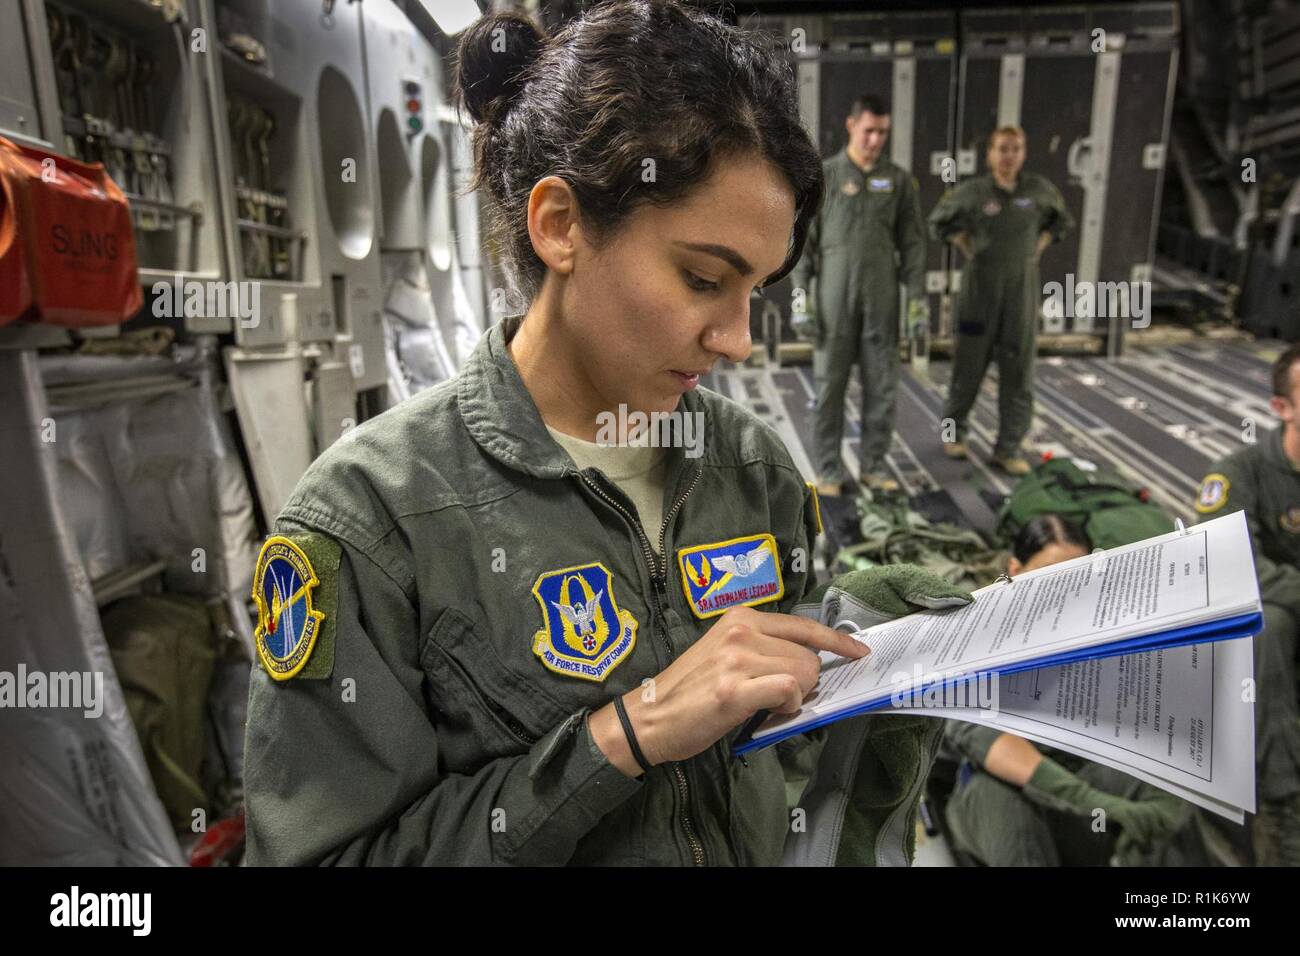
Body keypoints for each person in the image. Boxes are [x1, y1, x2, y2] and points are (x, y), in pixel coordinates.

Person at [241, 0, 973, 866]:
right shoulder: (371, 523)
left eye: (758, 291)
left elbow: (785, 761)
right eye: (704, 278)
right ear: (561, 225)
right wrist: (627, 734)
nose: (738, 339)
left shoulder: (753, 468)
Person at [944, 515, 1194, 865]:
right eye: (1048, 575)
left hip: (1082, 775)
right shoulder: (975, 638)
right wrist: (1094, 802)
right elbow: (984, 738)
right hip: (1009, 787)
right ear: (1014, 569)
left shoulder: (1102, 628)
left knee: (1169, 793)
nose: (1062, 591)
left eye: (1076, 577)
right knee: (1002, 803)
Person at [1193, 342, 1300, 866]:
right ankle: (1281, 803)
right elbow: (1228, 565)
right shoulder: (1241, 471)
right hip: (1257, 638)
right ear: (1282, 408)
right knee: (1272, 622)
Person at [790, 95, 928, 497]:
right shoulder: (827, 176)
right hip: (834, 305)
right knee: (829, 386)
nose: (875, 140)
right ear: (851, 125)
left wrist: (916, 301)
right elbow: (804, 243)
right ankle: (829, 471)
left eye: (882, 132)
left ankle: (873, 466)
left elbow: (914, 245)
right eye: (868, 130)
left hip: (882, 303)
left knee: (882, 386)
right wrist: (802, 298)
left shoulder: (899, 182)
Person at [927, 126, 1073, 476]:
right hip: (979, 291)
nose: (1009, 156)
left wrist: (1038, 248)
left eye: (1015, 149)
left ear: (1023, 153)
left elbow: (1061, 221)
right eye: (1002, 149)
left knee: (1019, 372)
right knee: (966, 369)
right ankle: (953, 433)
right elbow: (938, 222)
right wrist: (966, 245)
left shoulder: (1038, 191)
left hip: (1020, 292)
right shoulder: (973, 192)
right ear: (989, 154)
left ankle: (1007, 448)